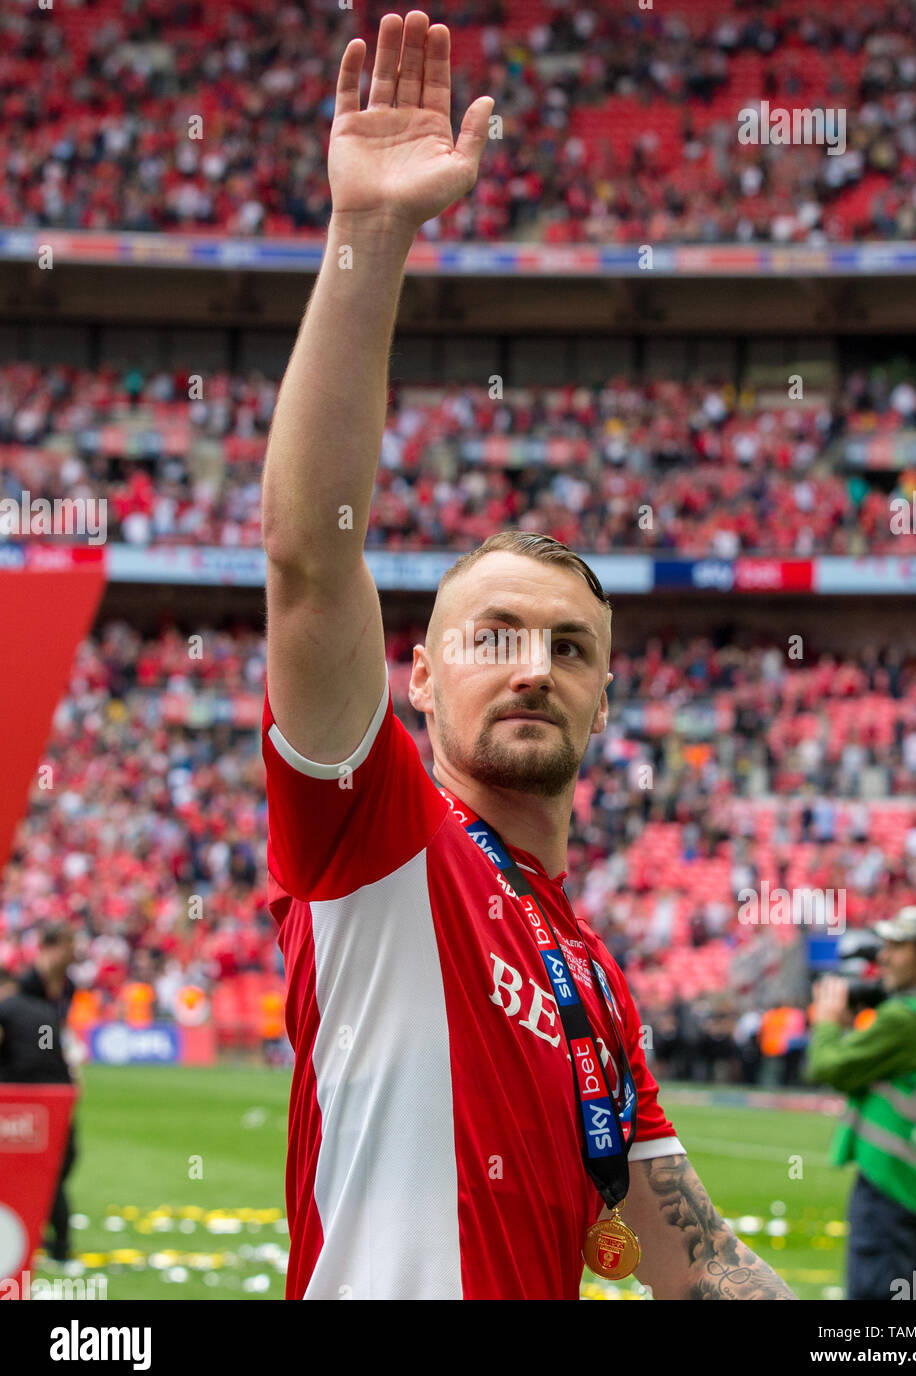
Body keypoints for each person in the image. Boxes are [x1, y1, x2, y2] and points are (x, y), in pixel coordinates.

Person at [260, 10, 794, 1301]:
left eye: (568, 644)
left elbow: (698, 1263)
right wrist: (372, 237)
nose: (532, 663)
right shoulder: (377, 837)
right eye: (488, 635)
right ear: (420, 678)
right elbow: (309, 563)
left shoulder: (594, 984)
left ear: (605, 696)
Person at [806, 907, 916, 1302]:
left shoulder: (906, 1018)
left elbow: (829, 1066)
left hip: (889, 1187)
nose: (883, 957)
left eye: (897, 947)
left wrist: (828, 1021)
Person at [0, 958, 77, 1264]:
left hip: (18, 1104)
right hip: (57, 1104)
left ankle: (33, 1237)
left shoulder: (5, 1010)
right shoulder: (46, 1012)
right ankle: (59, 1244)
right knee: (52, 1175)